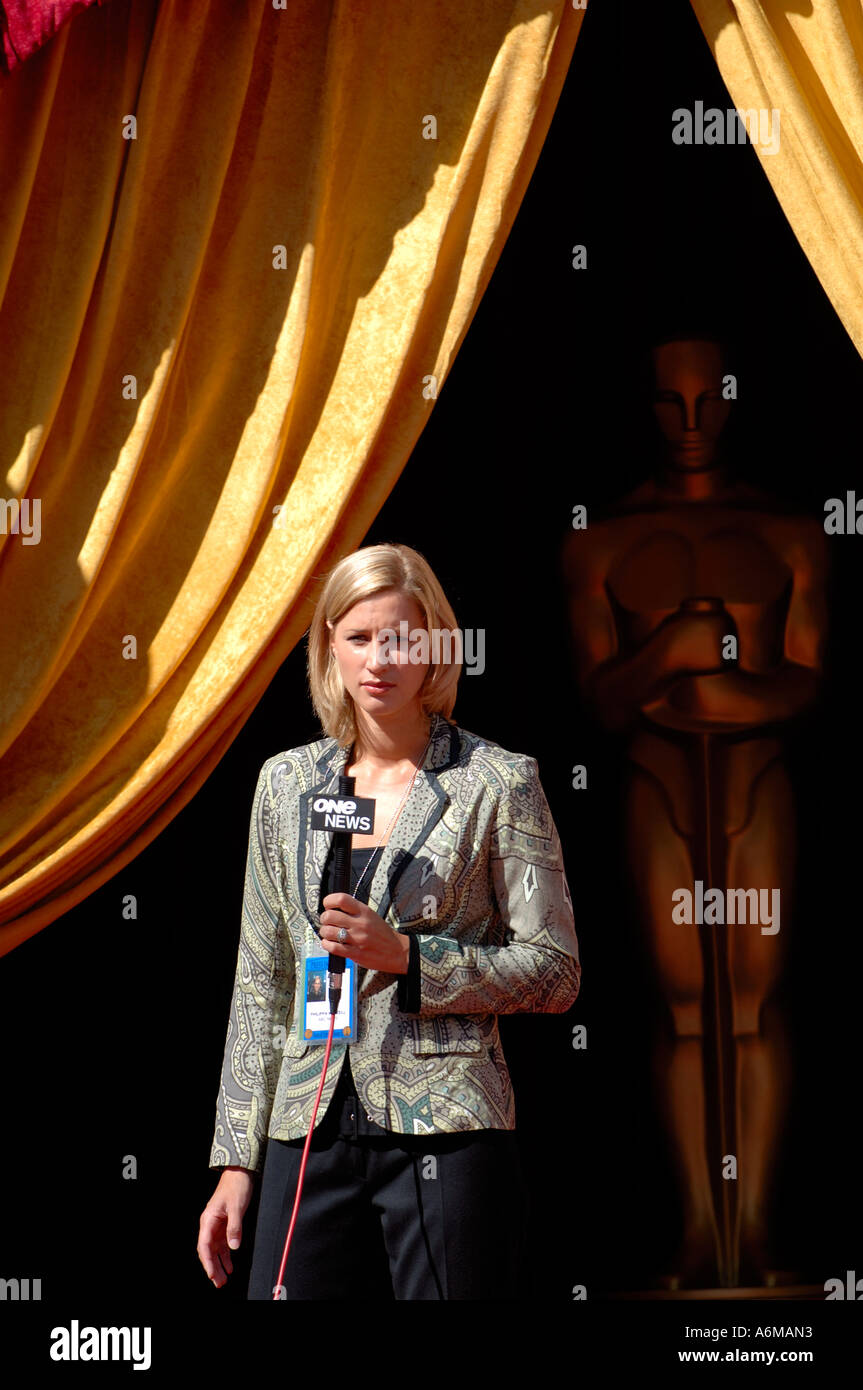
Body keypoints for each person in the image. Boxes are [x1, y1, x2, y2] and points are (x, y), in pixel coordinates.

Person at [197, 542, 581, 1299]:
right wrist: (236, 1160)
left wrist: (410, 957)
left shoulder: (496, 781)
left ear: (436, 645)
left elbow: (556, 972)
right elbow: (260, 978)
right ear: (328, 646)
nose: (381, 658)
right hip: (306, 1127)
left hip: (447, 1125)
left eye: (402, 637)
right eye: (360, 637)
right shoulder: (284, 784)